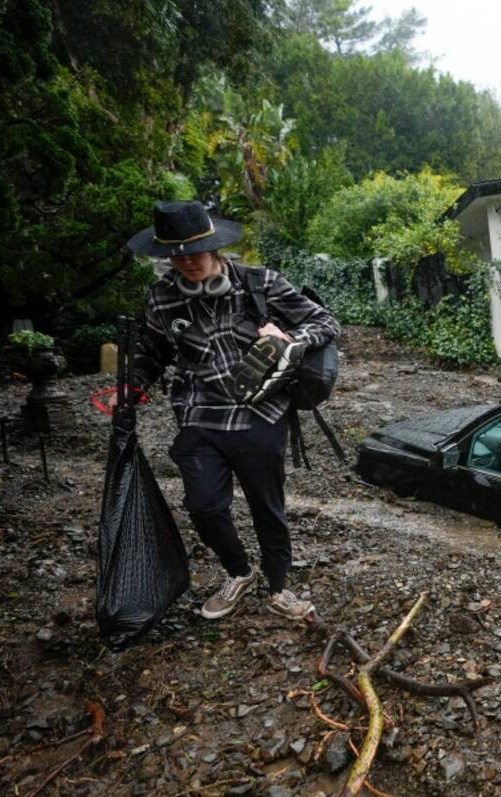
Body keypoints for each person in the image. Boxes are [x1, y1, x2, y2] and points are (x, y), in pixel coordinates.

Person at [119, 200, 341, 622]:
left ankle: (279, 586)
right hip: (200, 413)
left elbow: (326, 323)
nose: (186, 261)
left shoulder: (261, 283)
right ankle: (239, 571)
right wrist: (132, 386)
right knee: (203, 505)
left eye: (194, 251)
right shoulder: (161, 299)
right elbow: (152, 351)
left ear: (213, 246)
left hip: (261, 413)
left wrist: (289, 338)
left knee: (266, 506)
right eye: (176, 255)